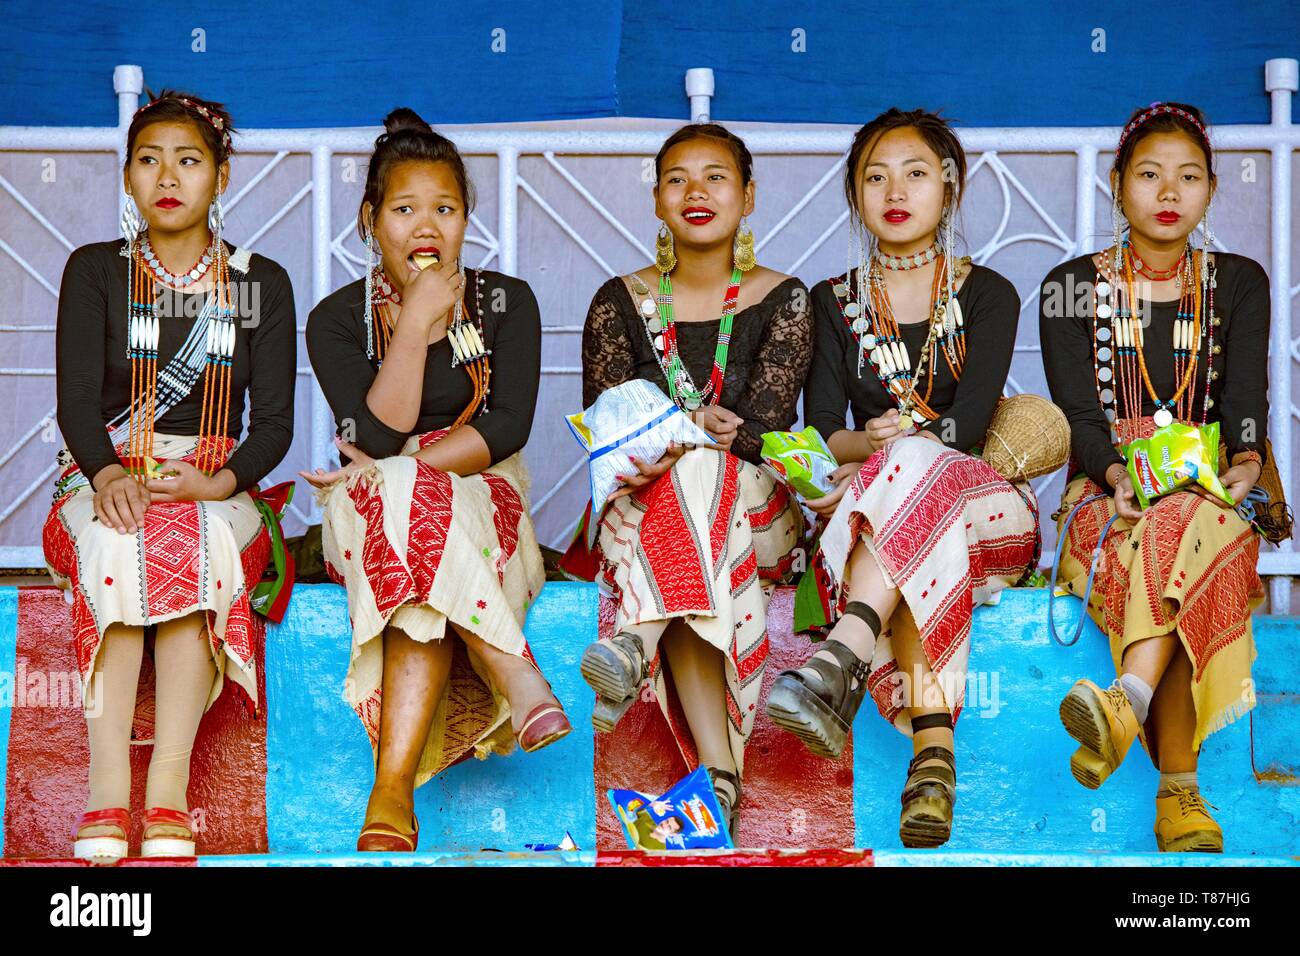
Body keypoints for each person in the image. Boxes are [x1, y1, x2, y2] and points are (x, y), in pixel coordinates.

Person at [767, 108, 1038, 849]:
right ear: (855, 194)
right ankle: (933, 759)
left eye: (916, 173)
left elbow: (971, 426)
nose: (896, 189)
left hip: (988, 514)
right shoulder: (832, 300)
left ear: (948, 190)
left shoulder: (989, 295)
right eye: (875, 176)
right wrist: (870, 440)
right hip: (892, 518)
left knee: (914, 466)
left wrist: (893, 449)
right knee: (906, 509)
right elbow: (825, 427)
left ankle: (844, 653)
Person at [304, 108, 568, 853]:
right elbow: (380, 430)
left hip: (485, 494)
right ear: (369, 219)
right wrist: (416, 324)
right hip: (368, 509)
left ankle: (390, 792)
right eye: (405, 208)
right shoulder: (334, 319)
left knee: (406, 503)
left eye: (446, 209)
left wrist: (398, 477)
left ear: (466, 220)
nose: (428, 225)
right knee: (401, 504)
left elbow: (506, 428)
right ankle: (517, 678)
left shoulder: (508, 300)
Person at [44, 90, 296, 863]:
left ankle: (168, 792)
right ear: (126, 178)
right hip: (100, 473)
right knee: (120, 542)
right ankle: (106, 789)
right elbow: (76, 404)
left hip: (216, 484)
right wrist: (108, 473)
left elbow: (276, 428)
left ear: (220, 176)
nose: (168, 177)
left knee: (195, 542)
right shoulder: (96, 273)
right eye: (149, 160)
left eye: (189, 160)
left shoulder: (260, 283)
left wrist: (221, 484)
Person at [565, 123, 811, 841]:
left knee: (704, 473)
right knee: (685, 498)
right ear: (656, 199)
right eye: (676, 178)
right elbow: (607, 432)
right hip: (651, 513)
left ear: (748, 196)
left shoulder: (784, 298)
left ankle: (637, 639)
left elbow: (761, 434)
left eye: (715, 177)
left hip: (761, 515)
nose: (695, 192)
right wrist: (669, 447)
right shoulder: (621, 300)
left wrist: (691, 442)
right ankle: (720, 780)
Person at [1041, 102, 1276, 853]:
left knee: (1183, 521)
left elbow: (1246, 403)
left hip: (1213, 496)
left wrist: (1243, 466)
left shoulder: (1239, 283)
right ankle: (1179, 792)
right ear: (1118, 184)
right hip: (1104, 497)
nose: (1168, 191)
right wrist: (1114, 473)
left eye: (1189, 177)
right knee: (1162, 535)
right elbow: (1078, 415)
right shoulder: (1068, 286)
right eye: (1148, 174)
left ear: (1210, 190)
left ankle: (1126, 702)